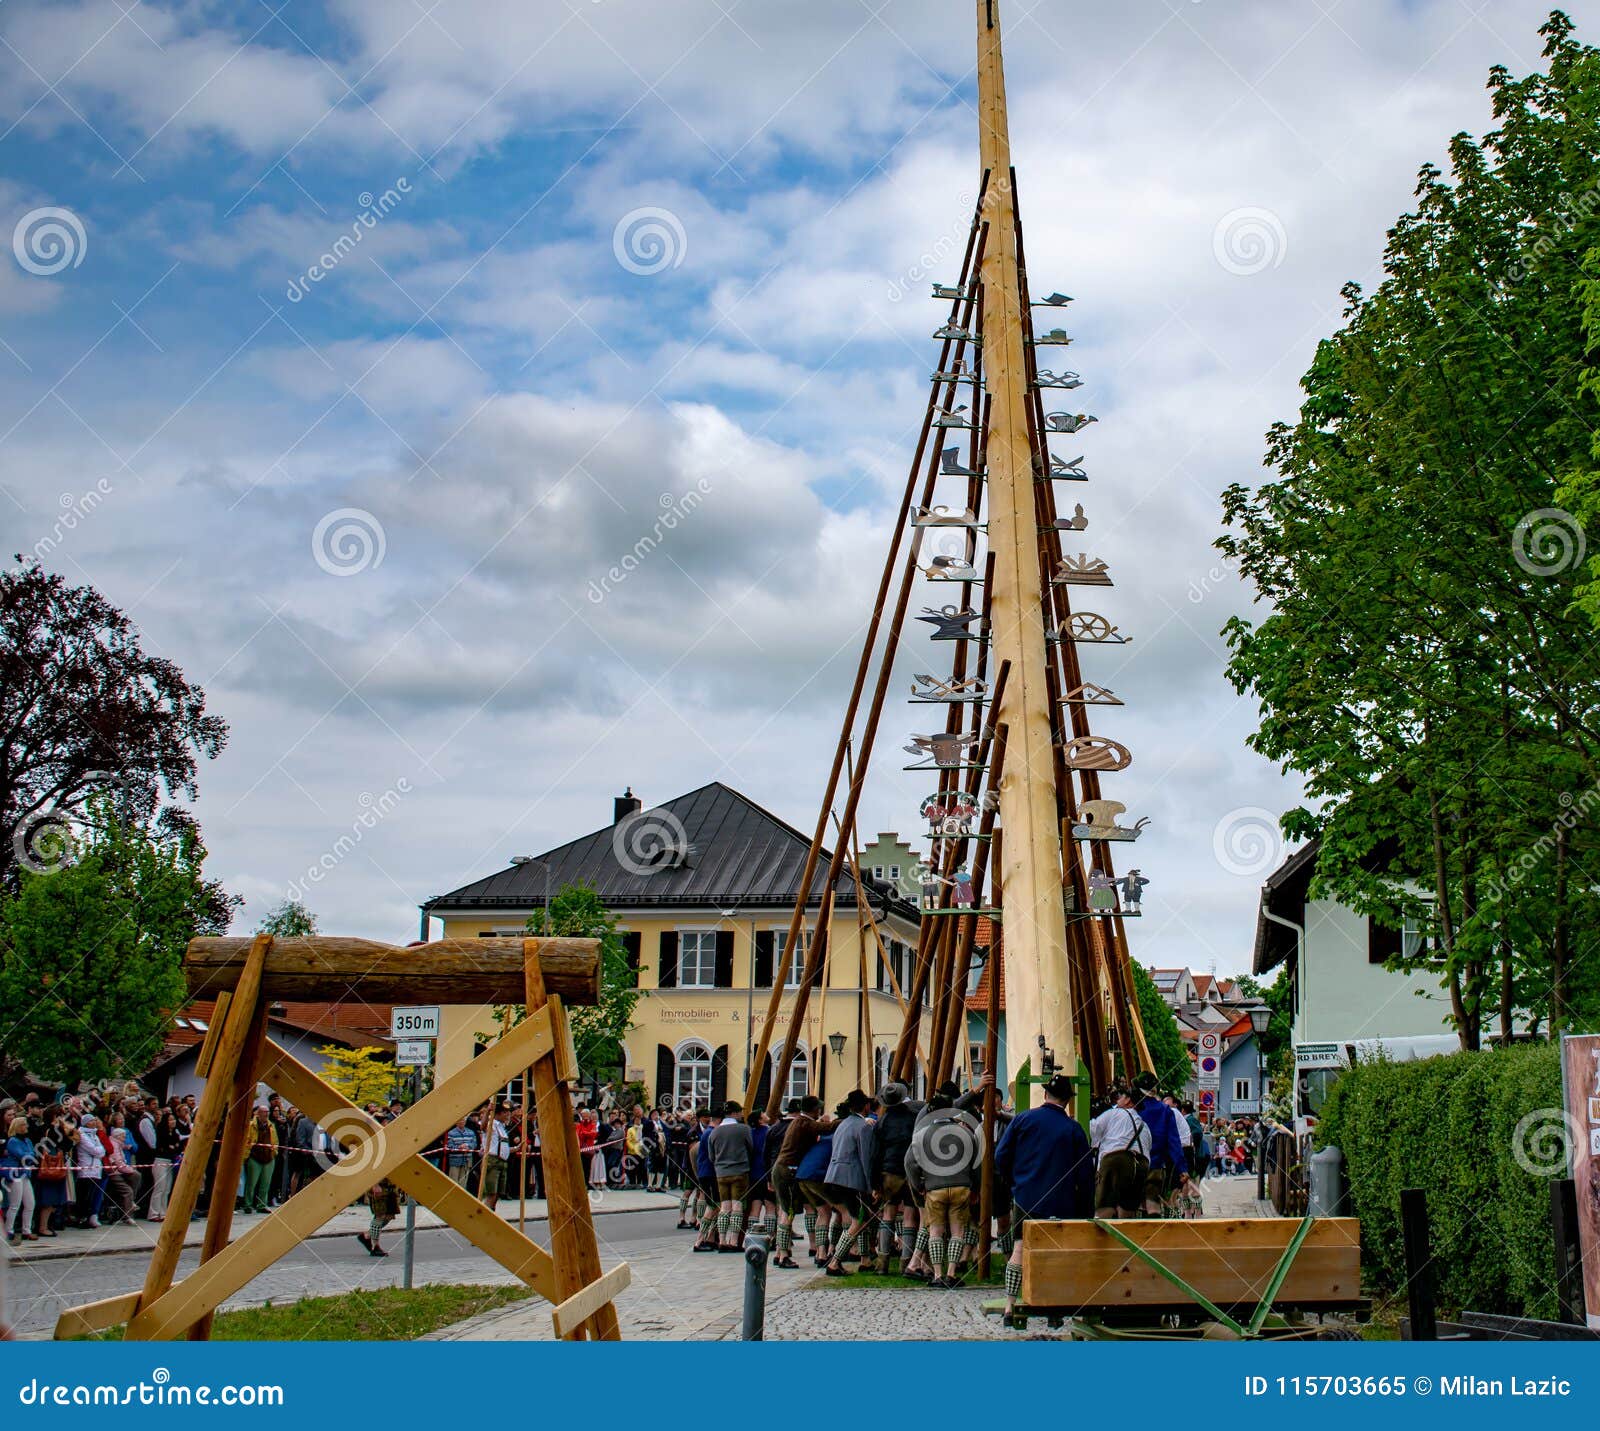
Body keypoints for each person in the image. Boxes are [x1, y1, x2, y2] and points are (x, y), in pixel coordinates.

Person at [993, 1073, 1094, 1316]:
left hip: (1027, 1196)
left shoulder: (1023, 1120)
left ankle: (1010, 1304)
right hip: (1062, 1200)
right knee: (1057, 1251)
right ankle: (1054, 1305)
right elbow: (1085, 1174)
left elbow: (1000, 1156)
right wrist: (1086, 1209)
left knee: (1019, 1247)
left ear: (1045, 1094)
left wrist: (1015, 1180)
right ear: (1067, 1101)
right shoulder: (1073, 1129)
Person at [904, 1091, 981, 1287]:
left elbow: (909, 1163)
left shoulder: (920, 1135)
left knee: (935, 1232)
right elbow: (976, 1164)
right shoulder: (966, 1133)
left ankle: (937, 1275)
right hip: (961, 1186)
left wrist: (919, 1184)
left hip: (933, 1188)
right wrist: (975, 1187)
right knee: (957, 1232)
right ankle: (952, 1273)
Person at [821, 1090, 874, 1277]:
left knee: (863, 1216)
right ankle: (835, 1262)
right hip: (852, 1179)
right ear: (866, 1106)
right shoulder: (864, 1126)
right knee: (858, 1220)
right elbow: (865, 1157)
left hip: (834, 1175)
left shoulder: (843, 1124)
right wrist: (871, 1185)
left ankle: (865, 1259)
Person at [870, 1081, 918, 1274]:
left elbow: (875, 1154)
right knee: (909, 1217)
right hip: (908, 1170)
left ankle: (882, 1262)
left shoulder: (882, 1122)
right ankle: (906, 1261)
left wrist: (874, 1183)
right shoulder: (913, 1118)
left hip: (888, 1171)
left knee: (887, 1216)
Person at [1089, 1084, 1151, 1219]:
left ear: (1128, 1100)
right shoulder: (1144, 1125)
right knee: (1128, 1209)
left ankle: (1101, 1237)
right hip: (1142, 1165)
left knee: (1104, 1207)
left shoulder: (1114, 1113)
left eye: (1120, 1097)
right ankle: (1124, 1235)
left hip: (1116, 1160)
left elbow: (1092, 1130)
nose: (1117, 1100)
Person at [1132, 1073, 1188, 1215]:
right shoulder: (1165, 1111)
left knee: (1131, 1206)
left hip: (1135, 1164)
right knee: (1153, 1203)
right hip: (1156, 1165)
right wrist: (1182, 1168)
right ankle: (1154, 1230)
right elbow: (1174, 1141)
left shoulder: (1134, 1110)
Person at [706, 1100, 754, 1251]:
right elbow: (750, 1148)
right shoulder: (743, 1129)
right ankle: (733, 1241)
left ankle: (722, 1240)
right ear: (734, 1113)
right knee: (737, 1206)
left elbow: (711, 1156)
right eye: (739, 1111)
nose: (741, 1114)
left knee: (725, 1207)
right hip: (739, 1171)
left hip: (721, 1172)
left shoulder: (715, 1132)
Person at [2, 1117, 37, 1244]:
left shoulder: (27, 1140)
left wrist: (29, 1156)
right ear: (17, 1126)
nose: (26, 1127)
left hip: (25, 1174)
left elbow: (31, 1154)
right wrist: (29, 1156)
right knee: (14, 1204)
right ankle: (8, 1230)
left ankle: (26, 1230)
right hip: (15, 1174)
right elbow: (23, 1156)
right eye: (23, 1125)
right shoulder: (13, 1141)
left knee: (30, 1203)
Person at [241, 1105, 277, 1214]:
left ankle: (262, 1205)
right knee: (251, 1183)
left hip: (269, 1157)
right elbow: (247, 1140)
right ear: (258, 1113)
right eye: (264, 1112)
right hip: (255, 1157)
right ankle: (247, 1204)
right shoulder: (252, 1125)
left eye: (267, 1112)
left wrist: (274, 1152)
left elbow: (275, 1141)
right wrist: (246, 1155)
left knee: (265, 1183)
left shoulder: (271, 1126)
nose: (266, 1114)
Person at [358, 1181, 400, 1256]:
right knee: (380, 1216)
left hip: (390, 1187)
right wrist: (375, 1184)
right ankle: (375, 1247)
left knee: (389, 1216)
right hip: (380, 1186)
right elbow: (371, 1169)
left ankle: (367, 1236)